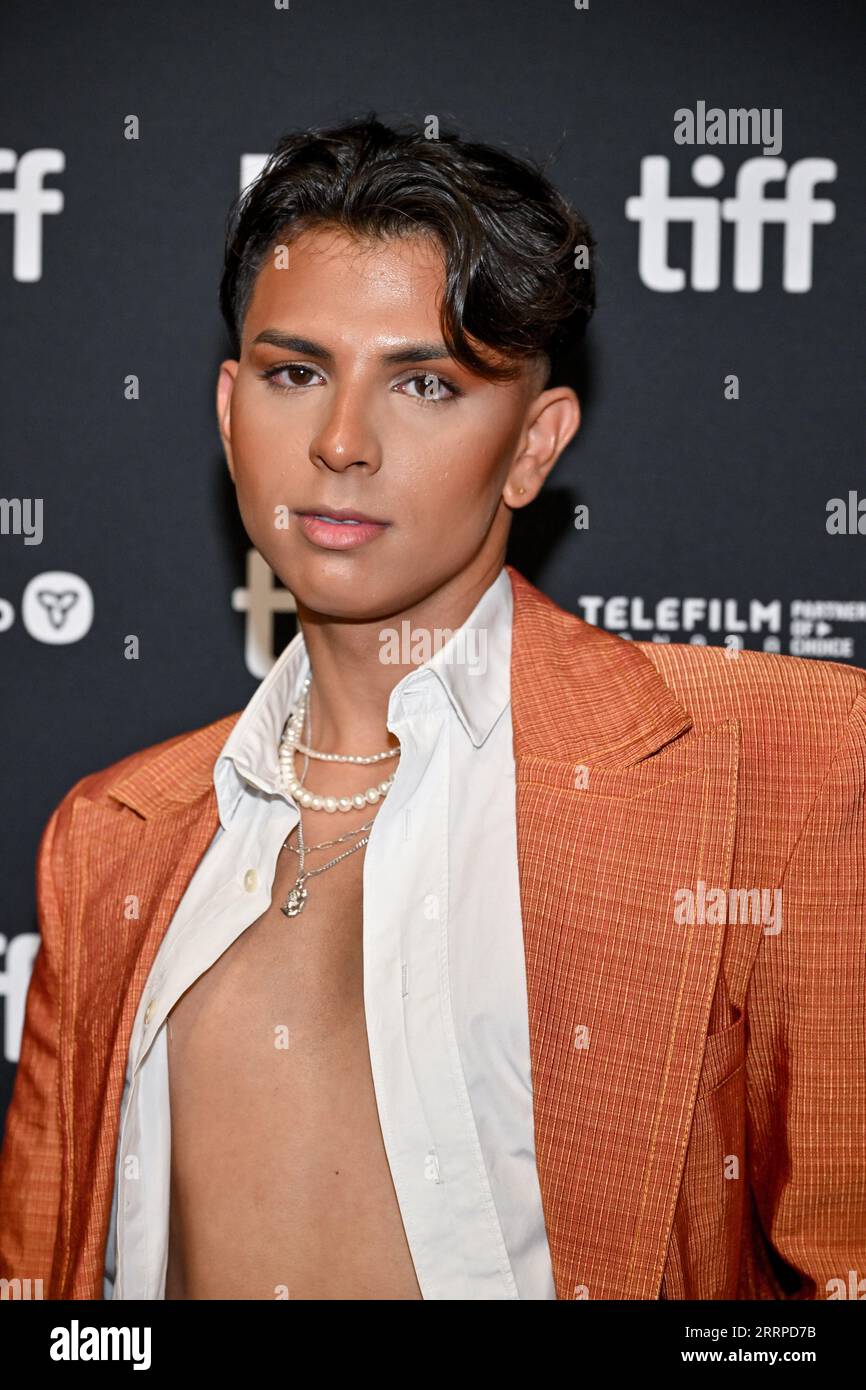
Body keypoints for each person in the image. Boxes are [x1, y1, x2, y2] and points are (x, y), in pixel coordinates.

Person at [1, 115, 864, 1302]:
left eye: (424, 382)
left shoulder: (783, 764)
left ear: (531, 446)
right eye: (294, 373)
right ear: (225, 409)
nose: (341, 443)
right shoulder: (109, 839)